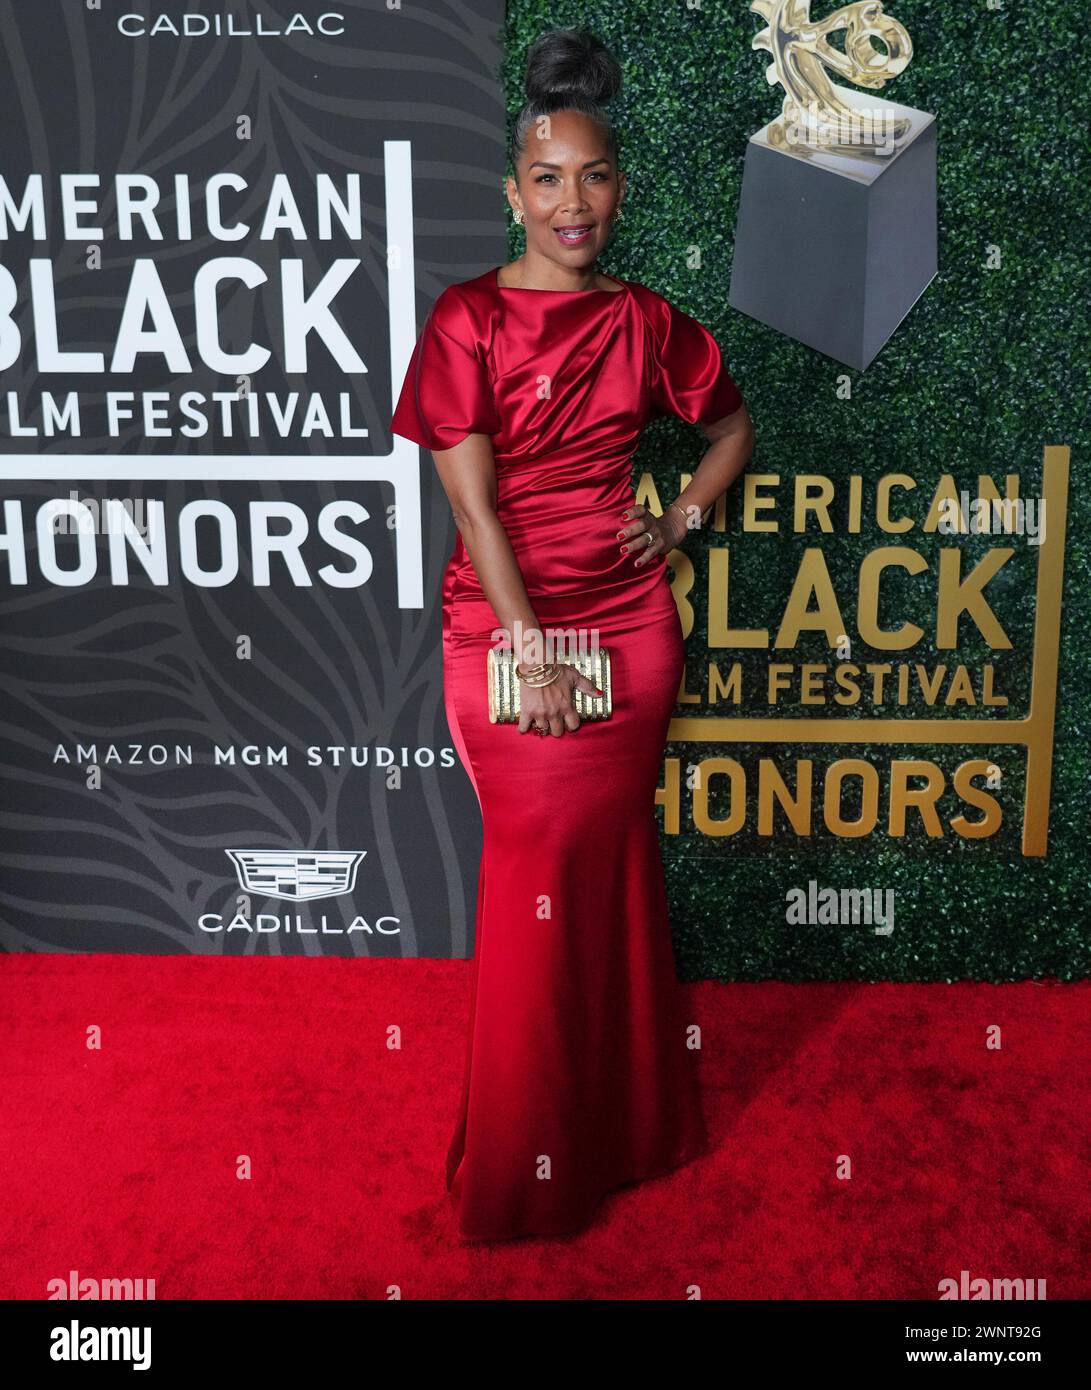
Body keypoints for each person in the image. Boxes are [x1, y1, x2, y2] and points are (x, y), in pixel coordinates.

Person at [390, 26, 755, 1241]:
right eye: (546, 178)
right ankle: (530, 1166)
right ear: (513, 193)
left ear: (618, 188)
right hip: (508, 633)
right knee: (534, 878)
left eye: (592, 176)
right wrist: (529, 649)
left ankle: (628, 1130)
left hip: (631, 627)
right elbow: (473, 511)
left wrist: (681, 518)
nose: (571, 202)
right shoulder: (464, 320)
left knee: (610, 869)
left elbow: (729, 431)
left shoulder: (646, 321)